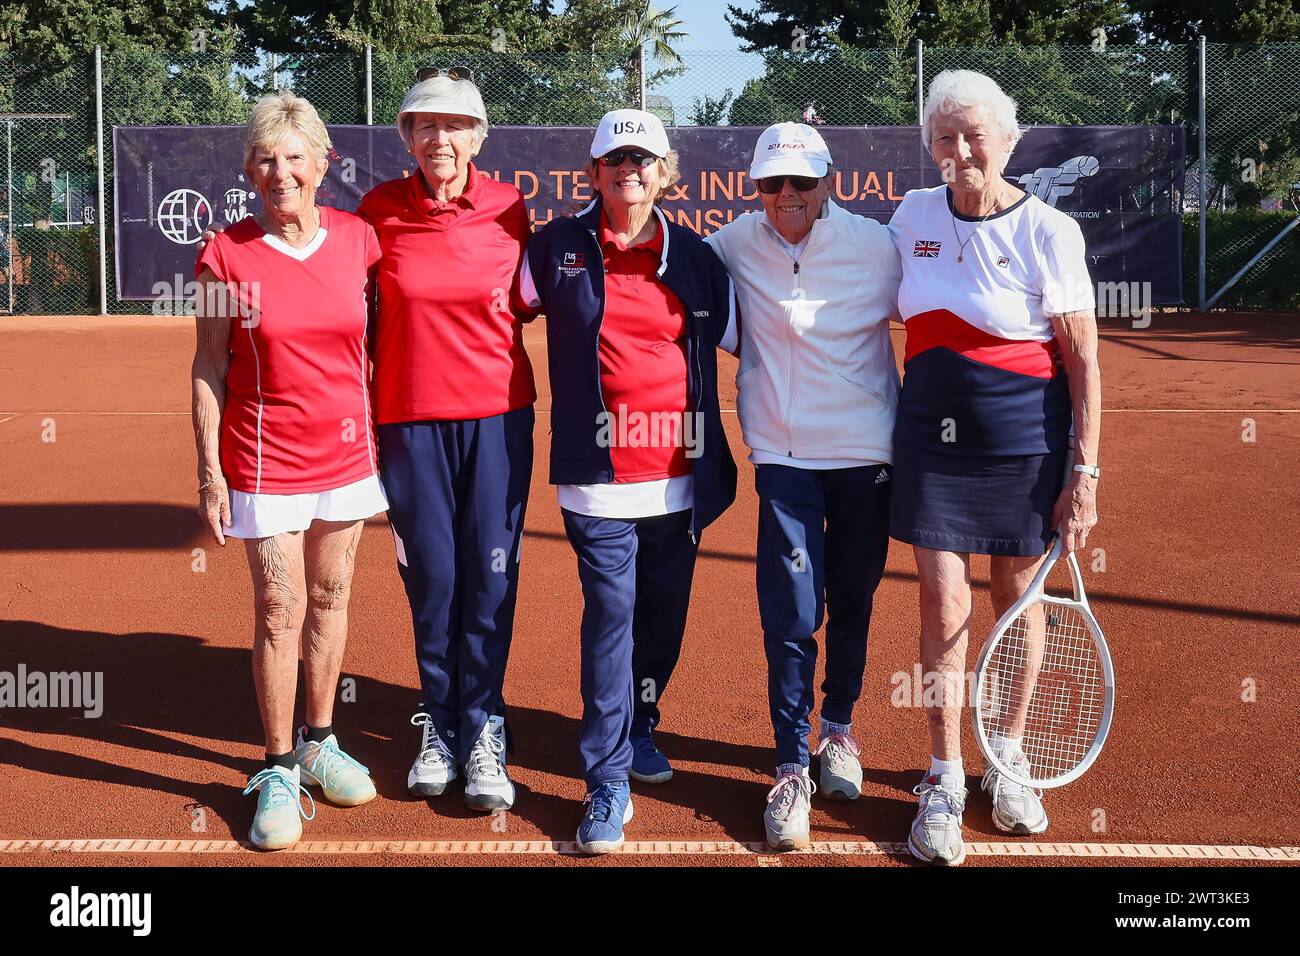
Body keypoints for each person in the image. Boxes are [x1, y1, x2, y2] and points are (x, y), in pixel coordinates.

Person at [888, 70, 1101, 865]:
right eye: (944, 137)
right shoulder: (911, 217)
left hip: (1027, 447)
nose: (960, 149)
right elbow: (867, 298)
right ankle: (943, 778)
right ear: (930, 148)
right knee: (944, 607)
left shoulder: (1050, 229)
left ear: (1010, 140)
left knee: (1018, 599)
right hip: (931, 448)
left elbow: (1083, 358)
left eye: (975, 134)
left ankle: (1006, 760)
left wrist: (1085, 473)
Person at [519, 109, 738, 854]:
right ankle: (606, 777)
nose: (629, 171)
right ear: (593, 174)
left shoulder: (700, 257)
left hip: (681, 475)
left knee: (663, 616)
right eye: (615, 161)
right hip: (599, 478)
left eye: (643, 160)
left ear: (666, 173)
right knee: (612, 616)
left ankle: (642, 724)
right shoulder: (554, 248)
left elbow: (743, 339)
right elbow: (495, 314)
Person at [191, 91, 384, 851]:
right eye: (266, 159)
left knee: (332, 596)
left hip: (347, 456)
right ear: (250, 169)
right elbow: (208, 364)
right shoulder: (223, 253)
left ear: (322, 164)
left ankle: (320, 741)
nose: (281, 172)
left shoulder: (360, 240)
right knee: (280, 608)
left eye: (294, 157)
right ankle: (276, 767)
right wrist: (209, 472)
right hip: (263, 460)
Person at [704, 123, 901, 850]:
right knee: (789, 616)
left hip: (865, 456)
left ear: (829, 182)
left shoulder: (878, 247)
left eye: (801, 182)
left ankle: (838, 733)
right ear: (756, 188)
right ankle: (790, 764)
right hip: (784, 460)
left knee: (852, 599)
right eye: (771, 184)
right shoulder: (731, 246)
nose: (786, 196)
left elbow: (939, 313)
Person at [357, 69, 536, 813]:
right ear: (406, 136)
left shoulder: (510, 209)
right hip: (407, 421)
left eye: (454, 124)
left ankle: (485, 720)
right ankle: (441, 720)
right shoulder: (376, 212)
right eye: (424, 124)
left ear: (478, 135)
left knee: (490, 578)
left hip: (497, 418)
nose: (440, 138)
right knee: (432, 576)